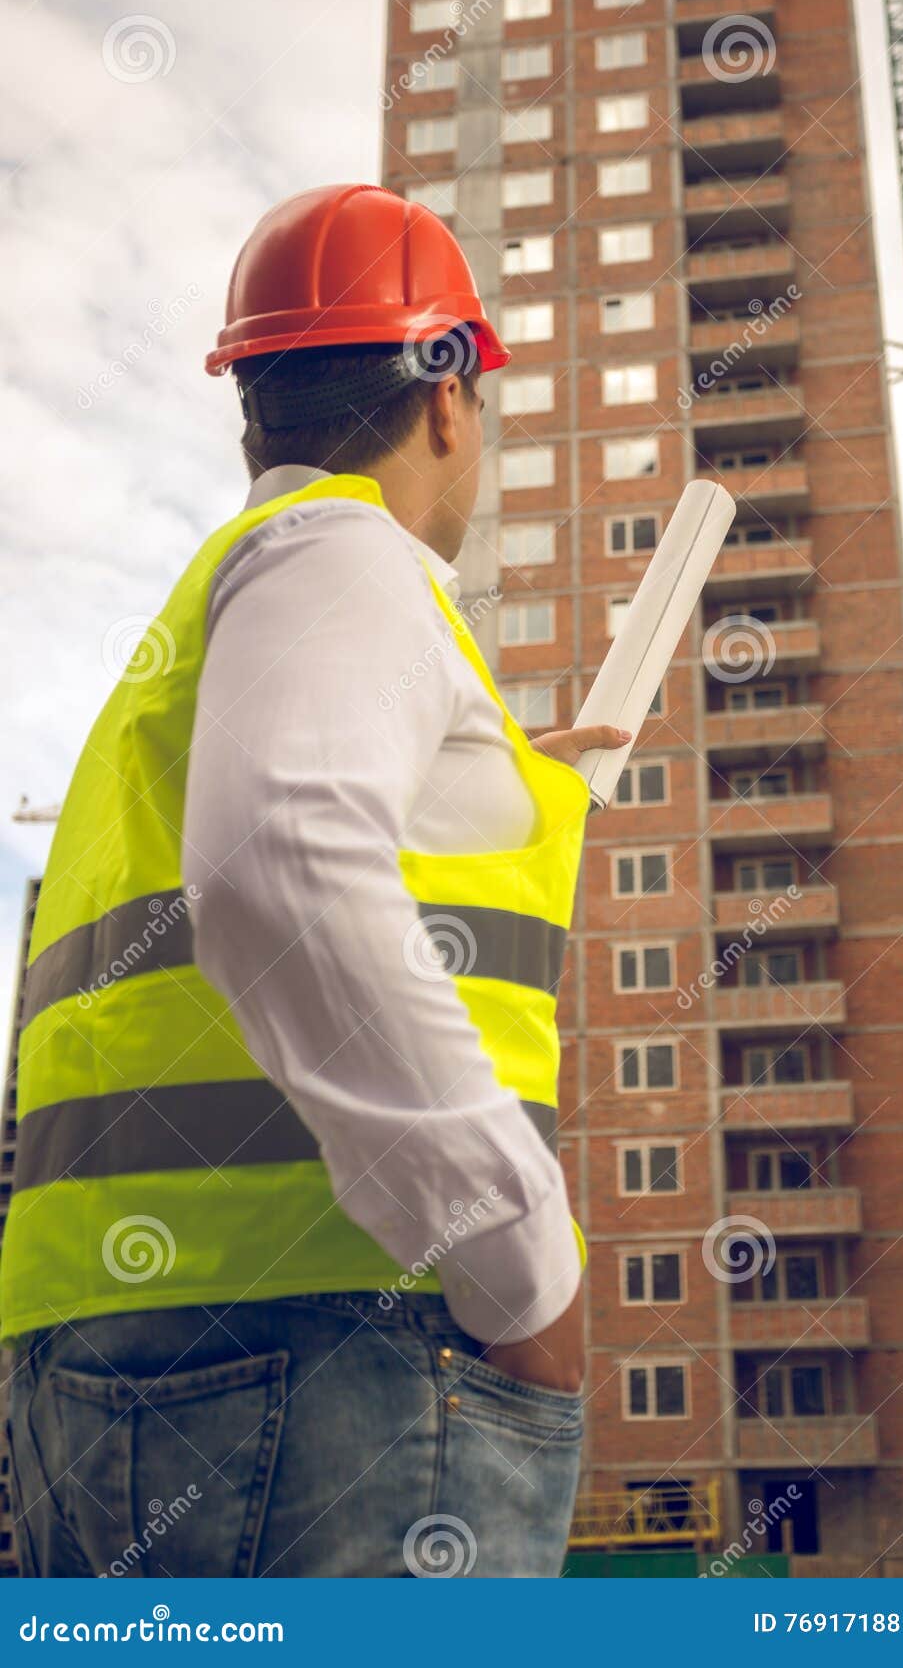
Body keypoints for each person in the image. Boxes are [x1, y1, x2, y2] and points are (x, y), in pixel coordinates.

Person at [1, 184, 628, 1578]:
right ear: (449, 395)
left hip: (114, 1361)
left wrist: (500, 773)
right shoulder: (347, 552)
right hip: (335, 1358)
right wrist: (520, 1261)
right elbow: (280, 858)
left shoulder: (219, 608)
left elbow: (268, 839)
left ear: (252, 407)